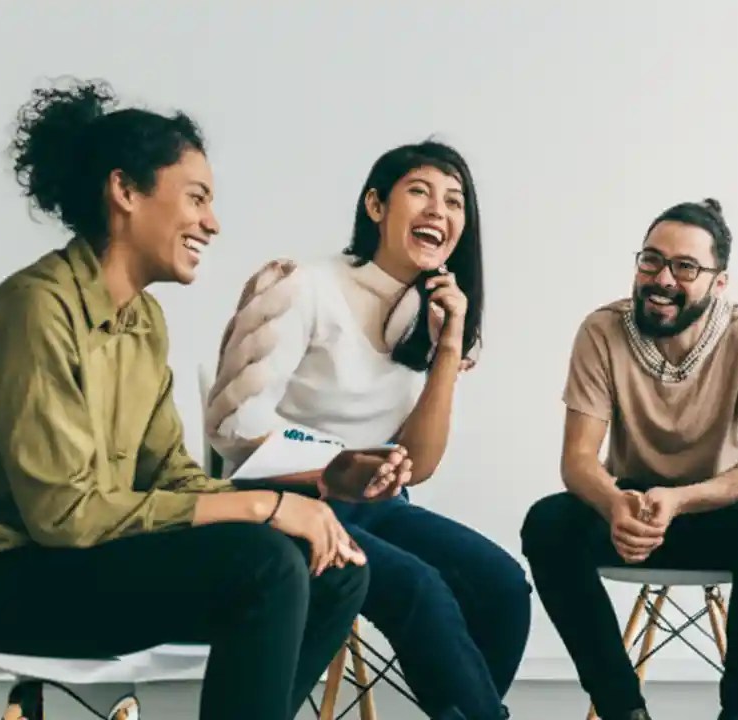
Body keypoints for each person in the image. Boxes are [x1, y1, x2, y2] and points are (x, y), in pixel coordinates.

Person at [0, 78, 397, 720]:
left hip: (67, 568)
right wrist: (266, 507)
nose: (212, 222)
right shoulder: (35, 312)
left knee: (336, 565)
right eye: (197, 197)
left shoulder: (142, 324)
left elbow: (171, 477)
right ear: (126, 191)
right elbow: (67, 516)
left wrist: (310, 494)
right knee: (268, 562)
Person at [206, 140, 531, 720]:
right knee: (421, 588)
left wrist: (449, 347)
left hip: (372, 504)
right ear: (377, 206)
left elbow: (420, 464)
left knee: (502, 587)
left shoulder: (434, 318)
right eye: (420, 192)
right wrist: (338, 463)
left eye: (455, 201)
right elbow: (234, 424)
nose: (440, 211)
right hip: (283, 498)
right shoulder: (301, 286)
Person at [519, 198, 738, 720]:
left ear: (719, 281)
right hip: (629, 507)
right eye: (651, 260)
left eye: (685, 266)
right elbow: (578, 458)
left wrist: (682, 499)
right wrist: (612, 501)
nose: (662, 278)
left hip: (715, 509)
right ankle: (622, 708)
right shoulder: (602, 330)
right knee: (548, 523)